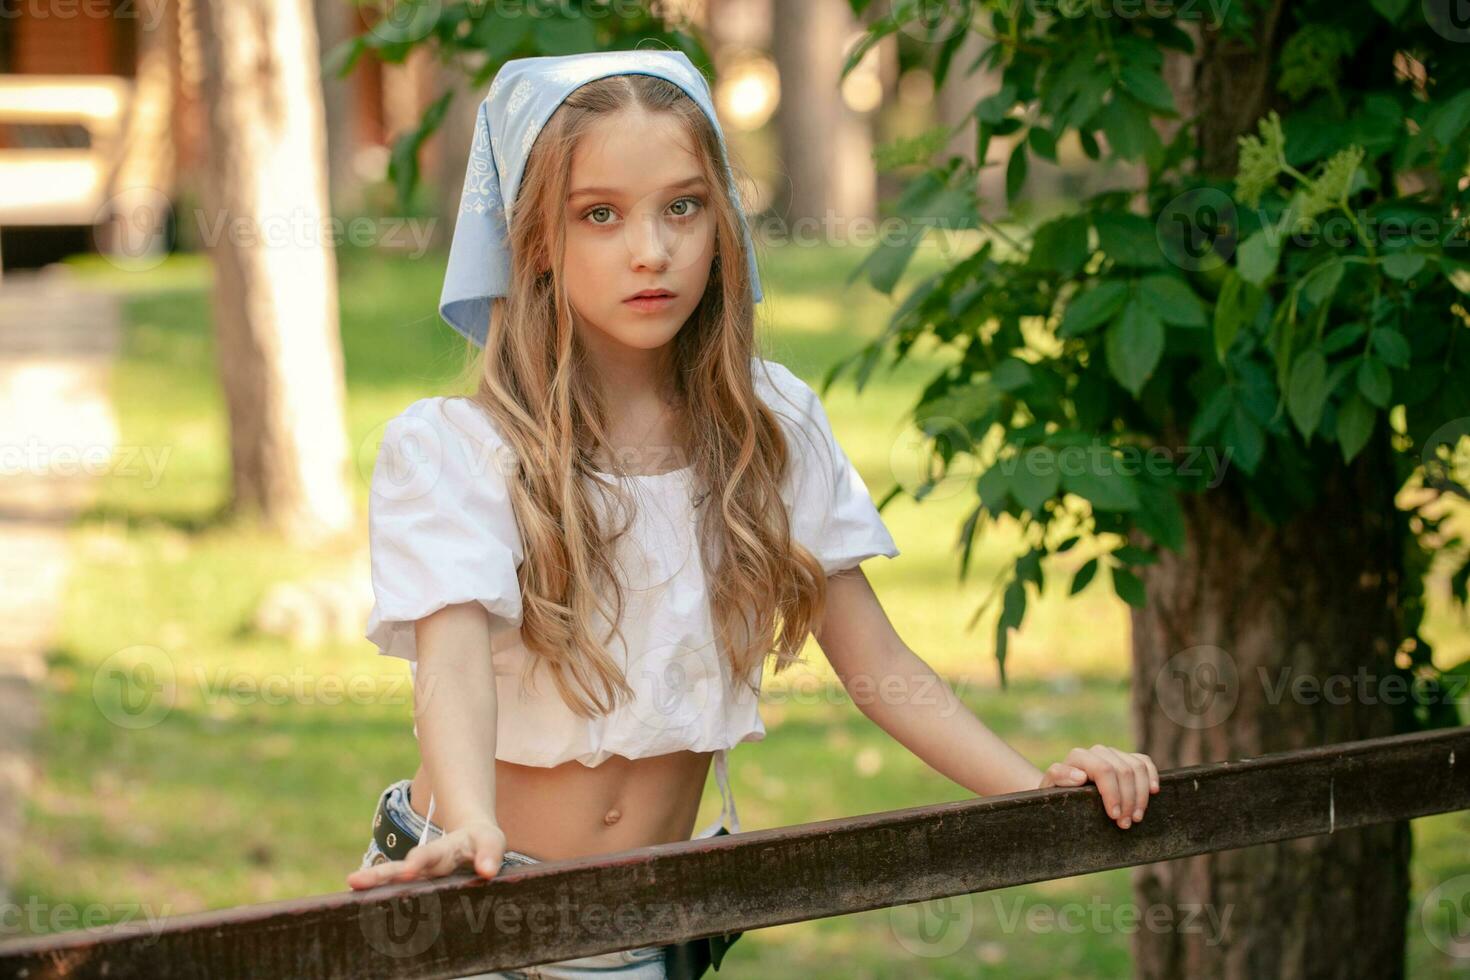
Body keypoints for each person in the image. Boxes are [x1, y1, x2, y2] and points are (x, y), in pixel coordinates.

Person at [344, 50, 1158, 978]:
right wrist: (474, 820)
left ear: (723, 224)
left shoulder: (768, 427)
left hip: (647, 940)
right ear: (533, 239)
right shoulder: (458, 450)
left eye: (683, 207)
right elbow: (451, 670)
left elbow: (879, 665)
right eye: (599, 214)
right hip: (471, 908)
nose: (651, 249)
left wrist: (1035, 790)